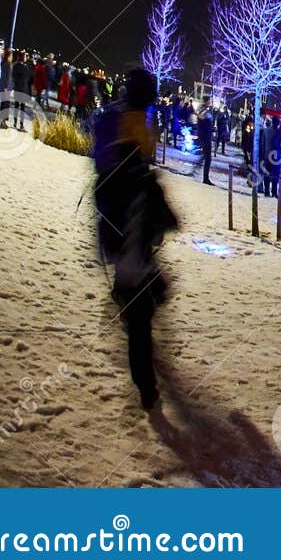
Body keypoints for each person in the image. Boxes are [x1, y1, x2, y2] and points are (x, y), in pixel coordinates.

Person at [92, 68, 177, 410]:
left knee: (151, 289)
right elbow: (116, 175)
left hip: (132, 229)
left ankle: (128, 296)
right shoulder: (121, 124)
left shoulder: (132, 118)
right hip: (126, 228)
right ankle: (146, 386)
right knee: (140, 311)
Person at [196, 105, 216, 185]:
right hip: (206, 138)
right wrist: (212, 129)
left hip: (204, 137)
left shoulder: (202, 112)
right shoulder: (205, 114)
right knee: (208, 158)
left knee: (206, 157)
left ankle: (205, 176)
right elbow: (206, 127)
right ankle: (205, 178)